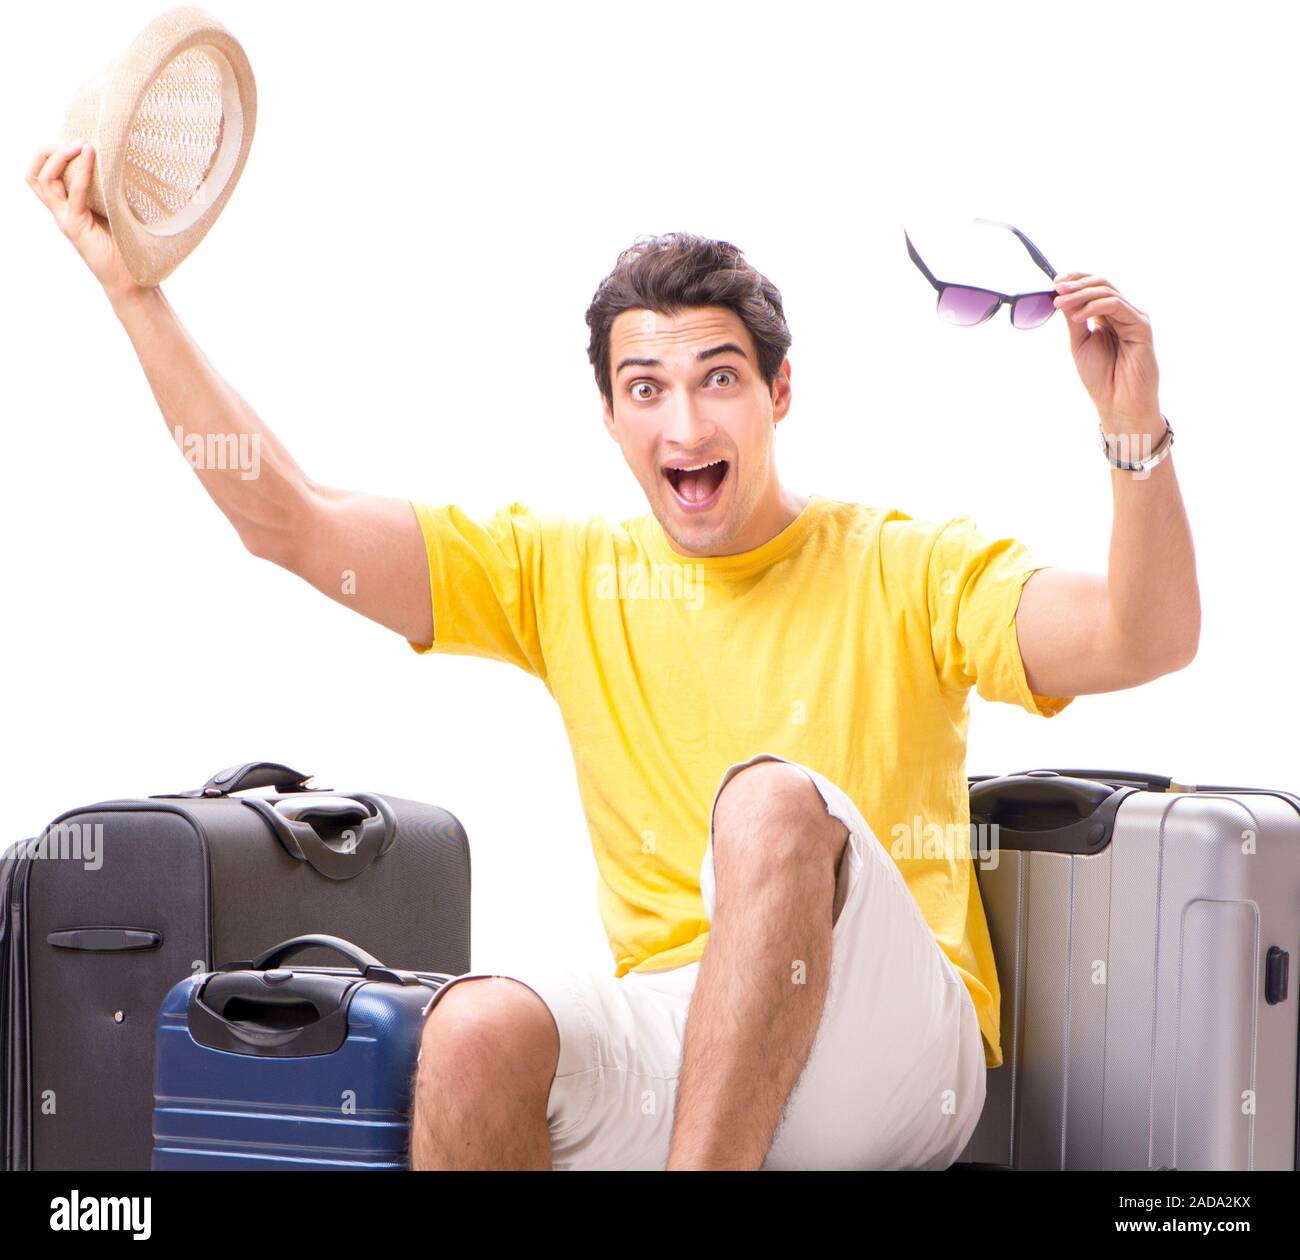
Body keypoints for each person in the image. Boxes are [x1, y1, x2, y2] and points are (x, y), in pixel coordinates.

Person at [26, 140, 1200, 1171]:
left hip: (892, 1056)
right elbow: (287, 522)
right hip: (682, 1035)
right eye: (647, 390)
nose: (684, 425)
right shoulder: (561, 571)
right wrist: (136, 291)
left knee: (770, 799)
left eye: (718, 381)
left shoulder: (905, 567)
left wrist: (1130, 428)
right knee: (475, 1030)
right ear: (609, 415)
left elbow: (1145, 637)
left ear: (778, 393)